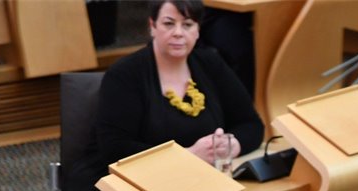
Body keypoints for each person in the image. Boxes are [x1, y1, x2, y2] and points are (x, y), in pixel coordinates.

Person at [94, 0, 263, 172]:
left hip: (210, 177)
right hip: (147, 184)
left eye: (188, 25)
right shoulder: (125, 74)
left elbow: (251, 124)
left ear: (198, 30)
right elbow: (114, 149)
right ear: (152, 26)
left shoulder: (210, 63)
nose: (178, 33)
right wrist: (188, 155)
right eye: (169, 24)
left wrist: (232, 145)